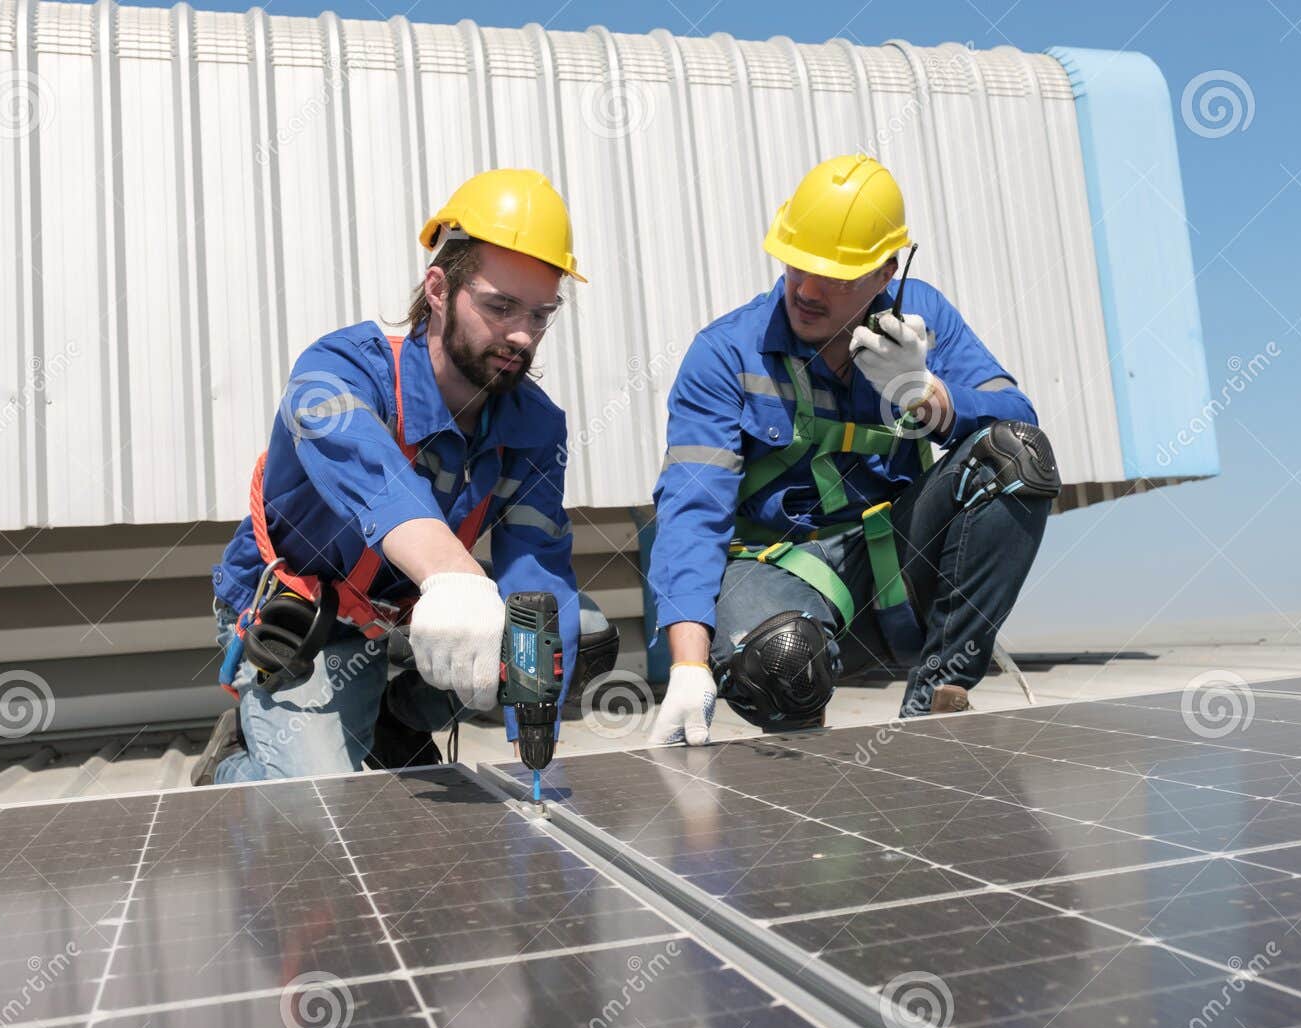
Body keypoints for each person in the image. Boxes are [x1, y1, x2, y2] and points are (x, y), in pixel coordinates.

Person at [646, 155, 1059, 745]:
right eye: (797, 265)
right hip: (778, 581)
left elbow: (1020, 417)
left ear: (887, 271)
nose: (807, 291)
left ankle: (936, 706)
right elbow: (691, 508)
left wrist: (928, 396)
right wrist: (687, 664)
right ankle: (810, 760)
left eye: (837, 275)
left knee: (1016, 458)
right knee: (779, 658)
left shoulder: (925, 318)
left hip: (897, 564)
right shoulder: (725, 354)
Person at [194, 169, 583, 784]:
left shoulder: (534, 425)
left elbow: (536, 568)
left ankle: (398, 717)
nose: (520, 334)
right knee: (320, 814)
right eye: (500, 306)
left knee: (573, 632)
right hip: (306, 620)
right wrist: (456, 578)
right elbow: (374, 479)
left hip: (406, 615)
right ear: (438, 288)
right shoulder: (340, 372)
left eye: (540, 314)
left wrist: (533, 728)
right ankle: (237, 765)